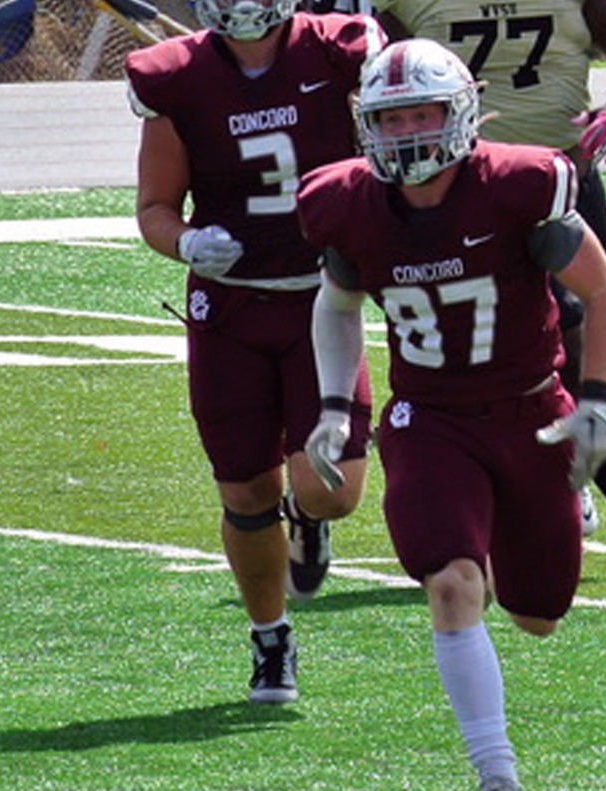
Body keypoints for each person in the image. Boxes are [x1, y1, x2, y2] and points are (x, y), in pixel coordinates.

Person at [298, 39, 606, 791]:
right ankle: (497, 775)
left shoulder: (517, 185)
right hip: (430, 419)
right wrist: (332, 405)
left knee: (538, 613)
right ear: (364, 125)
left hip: (532, 409)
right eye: (391, 118)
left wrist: (598, 399)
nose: (409, 132)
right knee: (451, 583)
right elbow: (338, 305)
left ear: (461, 112)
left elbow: (603, 293)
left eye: (423, 113)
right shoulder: (347, 203)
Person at [125, 0, 383, 703]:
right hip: (230, 306)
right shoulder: (176, 76)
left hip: (321, 299)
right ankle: (271, 638)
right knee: (245, 487)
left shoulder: (338, 50)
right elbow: (154, 206)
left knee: (329, 491)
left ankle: (308, 525)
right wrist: (184, 241)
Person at [368, 0, 606, 574]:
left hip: (565, 174)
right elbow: (374, 68)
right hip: (467, 186)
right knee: (521, 346)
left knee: (579, 345)